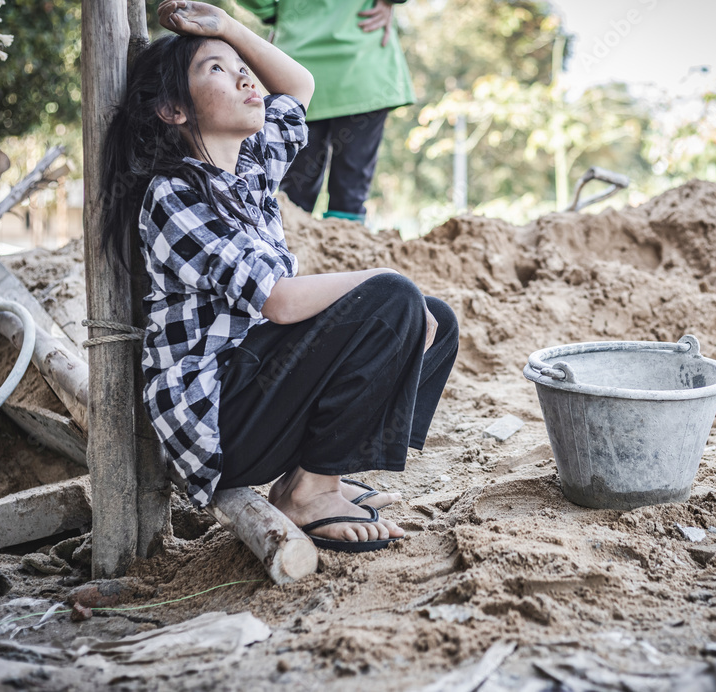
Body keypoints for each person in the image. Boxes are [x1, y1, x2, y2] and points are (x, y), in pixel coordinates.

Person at [98, 0, 457, 553]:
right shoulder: (174, 195)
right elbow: (282, 303)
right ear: (173, 109)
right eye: (216, 68)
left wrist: (227, 29)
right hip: (221, 426)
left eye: (239, 63)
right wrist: (385, 282)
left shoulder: (248, 167)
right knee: (394, 299)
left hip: (259, 391)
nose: (243, 72)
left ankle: (311, 474)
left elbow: (301, 86)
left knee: (436, 318)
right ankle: (311, 494)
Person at [234, 0, 415, 223]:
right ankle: (347, 250)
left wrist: (283, 13)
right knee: (350, 193)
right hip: (364, 65)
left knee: (295, 197)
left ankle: (294, 250)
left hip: (296, 69)